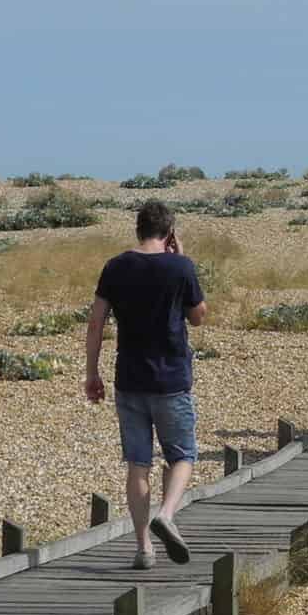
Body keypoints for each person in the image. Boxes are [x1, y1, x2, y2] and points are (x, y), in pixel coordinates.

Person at [85, 200, 207, 571]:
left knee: (138, 465)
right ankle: (167, 514)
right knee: (182, 455)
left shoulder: (116, 267)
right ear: (170, 233)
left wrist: (92, 373)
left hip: (130, 378)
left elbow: (96, 323)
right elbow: (199, 317)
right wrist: (182, 259)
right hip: (170, 378)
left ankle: (143, 548)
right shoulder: (180, 267)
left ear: (138, 229)